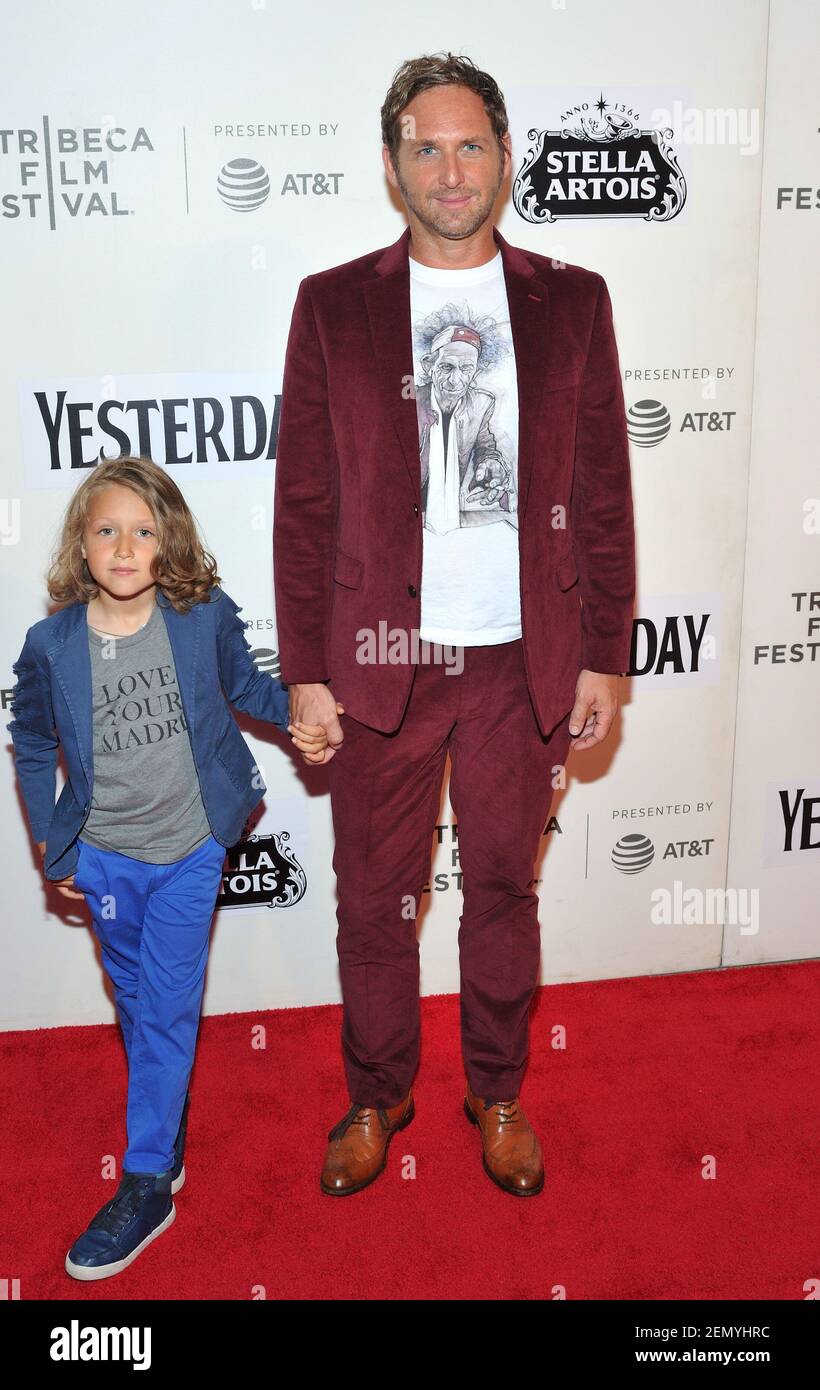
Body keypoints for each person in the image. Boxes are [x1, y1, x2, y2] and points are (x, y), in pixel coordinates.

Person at [273, 53, 636, 1197]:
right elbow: (306, 501)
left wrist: (603, 652)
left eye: (468, 142)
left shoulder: (572, 299)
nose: (448, 166)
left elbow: (605, 486)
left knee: (502, 889)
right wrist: (309, 669)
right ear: (390, 168)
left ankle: (499, 1088)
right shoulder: (333, 304)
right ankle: (377, 1096)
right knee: (374, 900)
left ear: (505, 156)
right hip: (385, 663)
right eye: (423, 146)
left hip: (518, 659)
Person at [7, 454, 341, 1278]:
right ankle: (167, 1115)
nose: (125, 547)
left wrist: (305, 709)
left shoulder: (199, 618)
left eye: (144, 531)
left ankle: (149, 1178)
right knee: (138, 1001)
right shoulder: (51, 645)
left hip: (191, 849)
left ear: (171, 541)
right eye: (106, 530)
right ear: (80, 546)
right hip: (107, 862)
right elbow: (32, 737)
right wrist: (54, 841)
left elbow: (247, 690)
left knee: (162, 1012)